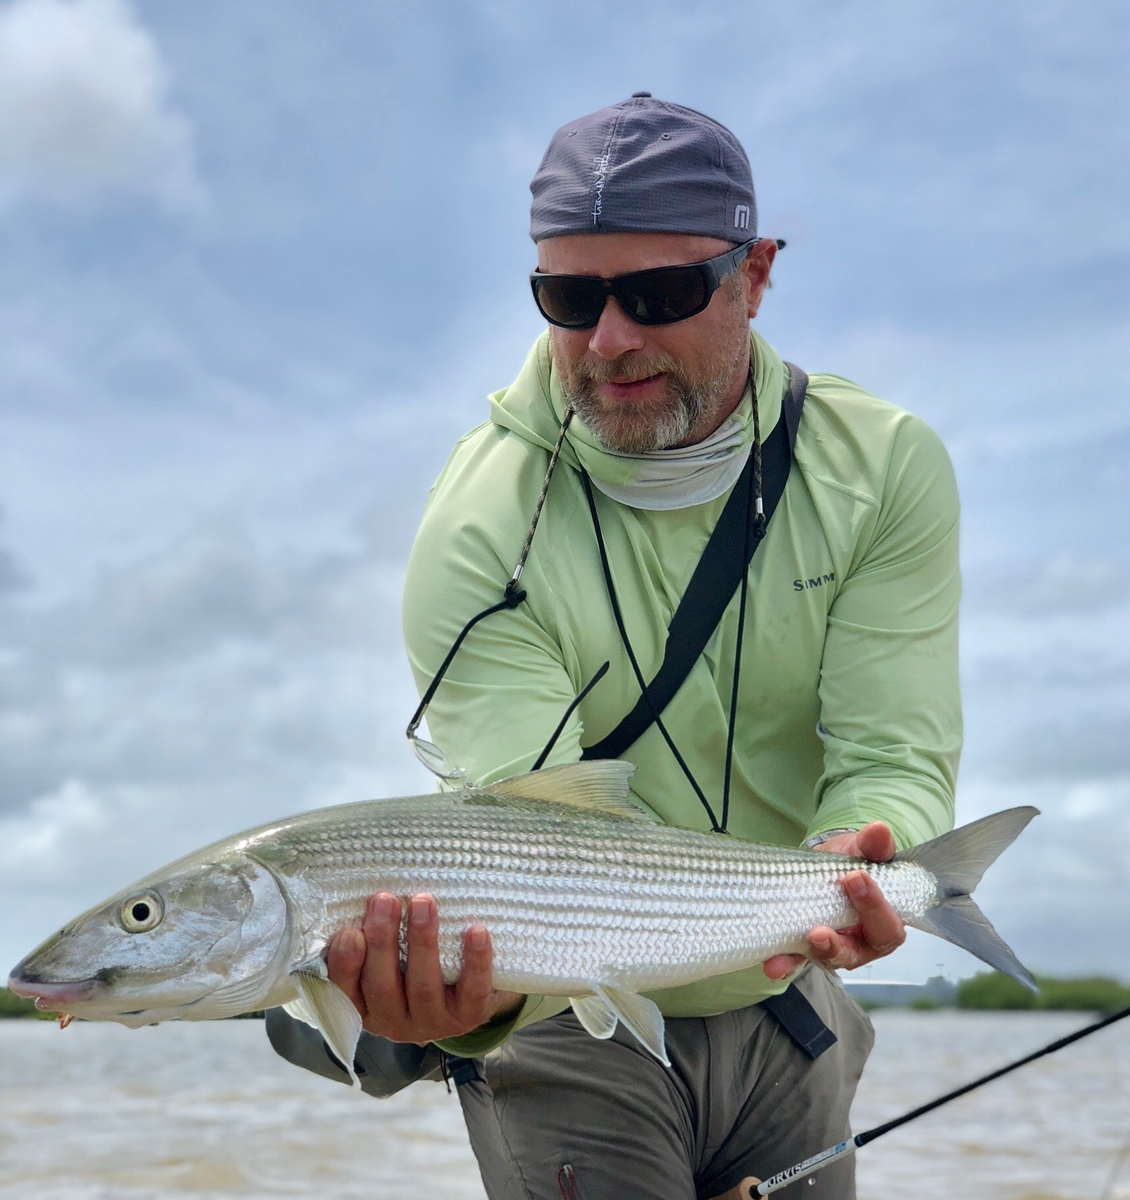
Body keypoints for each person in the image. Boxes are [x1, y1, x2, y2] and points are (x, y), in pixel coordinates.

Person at [268, 94, 961, 1199]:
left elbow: (894, 748)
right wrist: (472, 1003)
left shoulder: (880, 467)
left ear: (757, 272)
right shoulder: (476, 527)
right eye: (568, 297)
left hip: (790, 1008)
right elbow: (536, 846)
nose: (610, 339)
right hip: (563, 1018)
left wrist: (869, 849)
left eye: (661, 292)